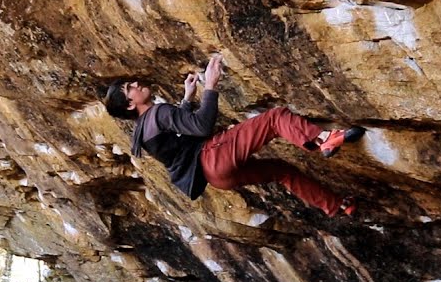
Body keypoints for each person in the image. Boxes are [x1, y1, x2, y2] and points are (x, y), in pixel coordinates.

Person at [102, 54, 365, 216]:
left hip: (216, 177)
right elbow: (201, 127)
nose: (135, 84)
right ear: (130, 104)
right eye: (129, 88)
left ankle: (338, 205)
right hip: (213, 156)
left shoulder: (143, 131)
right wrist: (211, 85)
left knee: (282, 171)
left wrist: (187, 99)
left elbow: (178, 137)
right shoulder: (157, 113)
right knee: (274, 118)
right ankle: (323, 139)